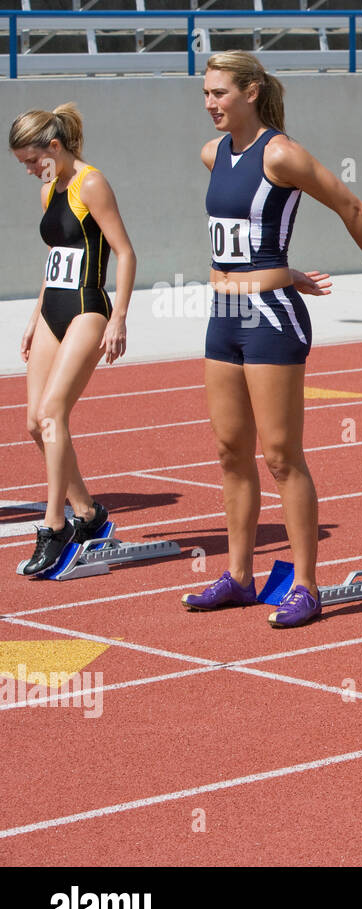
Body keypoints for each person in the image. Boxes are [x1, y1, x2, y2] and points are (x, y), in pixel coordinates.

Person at [180, 51, 362, 627]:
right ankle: (239, 577)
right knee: (229, 452)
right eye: (205, 94)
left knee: (280, 456)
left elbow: (353, 205)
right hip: (223, 315)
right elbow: (251, 235)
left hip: (271, 319)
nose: (209, 104)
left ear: (250, 92)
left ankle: (305, 584)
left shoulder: (281, 153)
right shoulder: (212, 154)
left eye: (219, 93)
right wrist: (281, 266)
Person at [10, 104, 135, 577]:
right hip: (53, 310)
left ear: (55, 147)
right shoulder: (49, 191)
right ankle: (88, 513)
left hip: (87, 309)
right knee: (31, 423)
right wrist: (32, 316)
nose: (27, 170)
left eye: (30, 160)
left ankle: (54, 524)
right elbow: (54, 258)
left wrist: (119, 317)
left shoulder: (92, 184)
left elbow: (125, 251)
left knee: (52, 414)